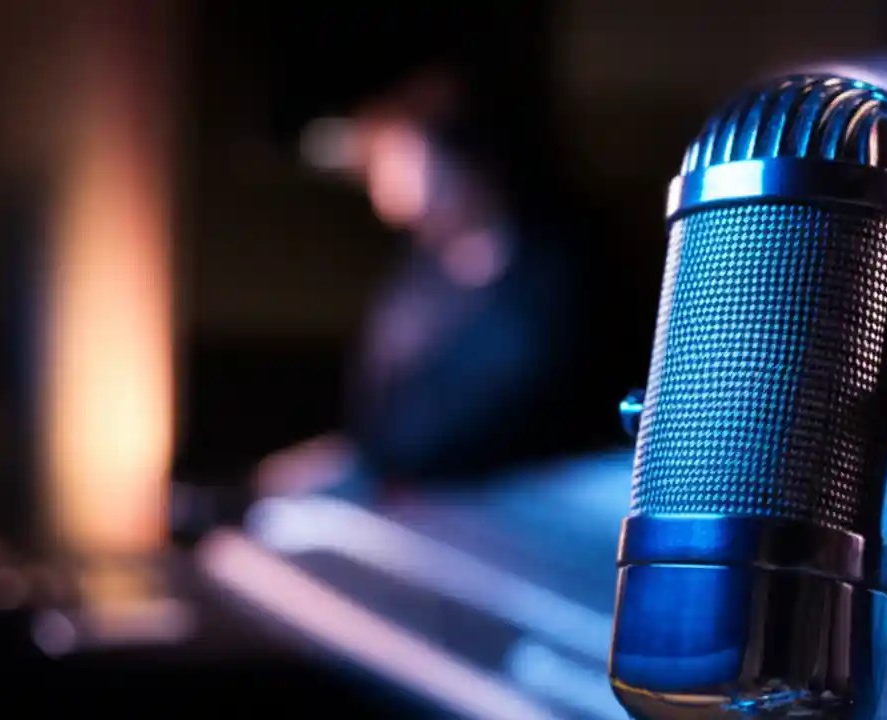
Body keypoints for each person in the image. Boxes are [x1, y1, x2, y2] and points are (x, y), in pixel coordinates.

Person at [251, 7, 622, 499]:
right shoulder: (421, 276)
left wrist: (370, 462)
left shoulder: (558, 269)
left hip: (521, 508)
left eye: (388, 146)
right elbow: (380, 415)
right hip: (415, 508)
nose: (378, 180)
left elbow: (501, 417)